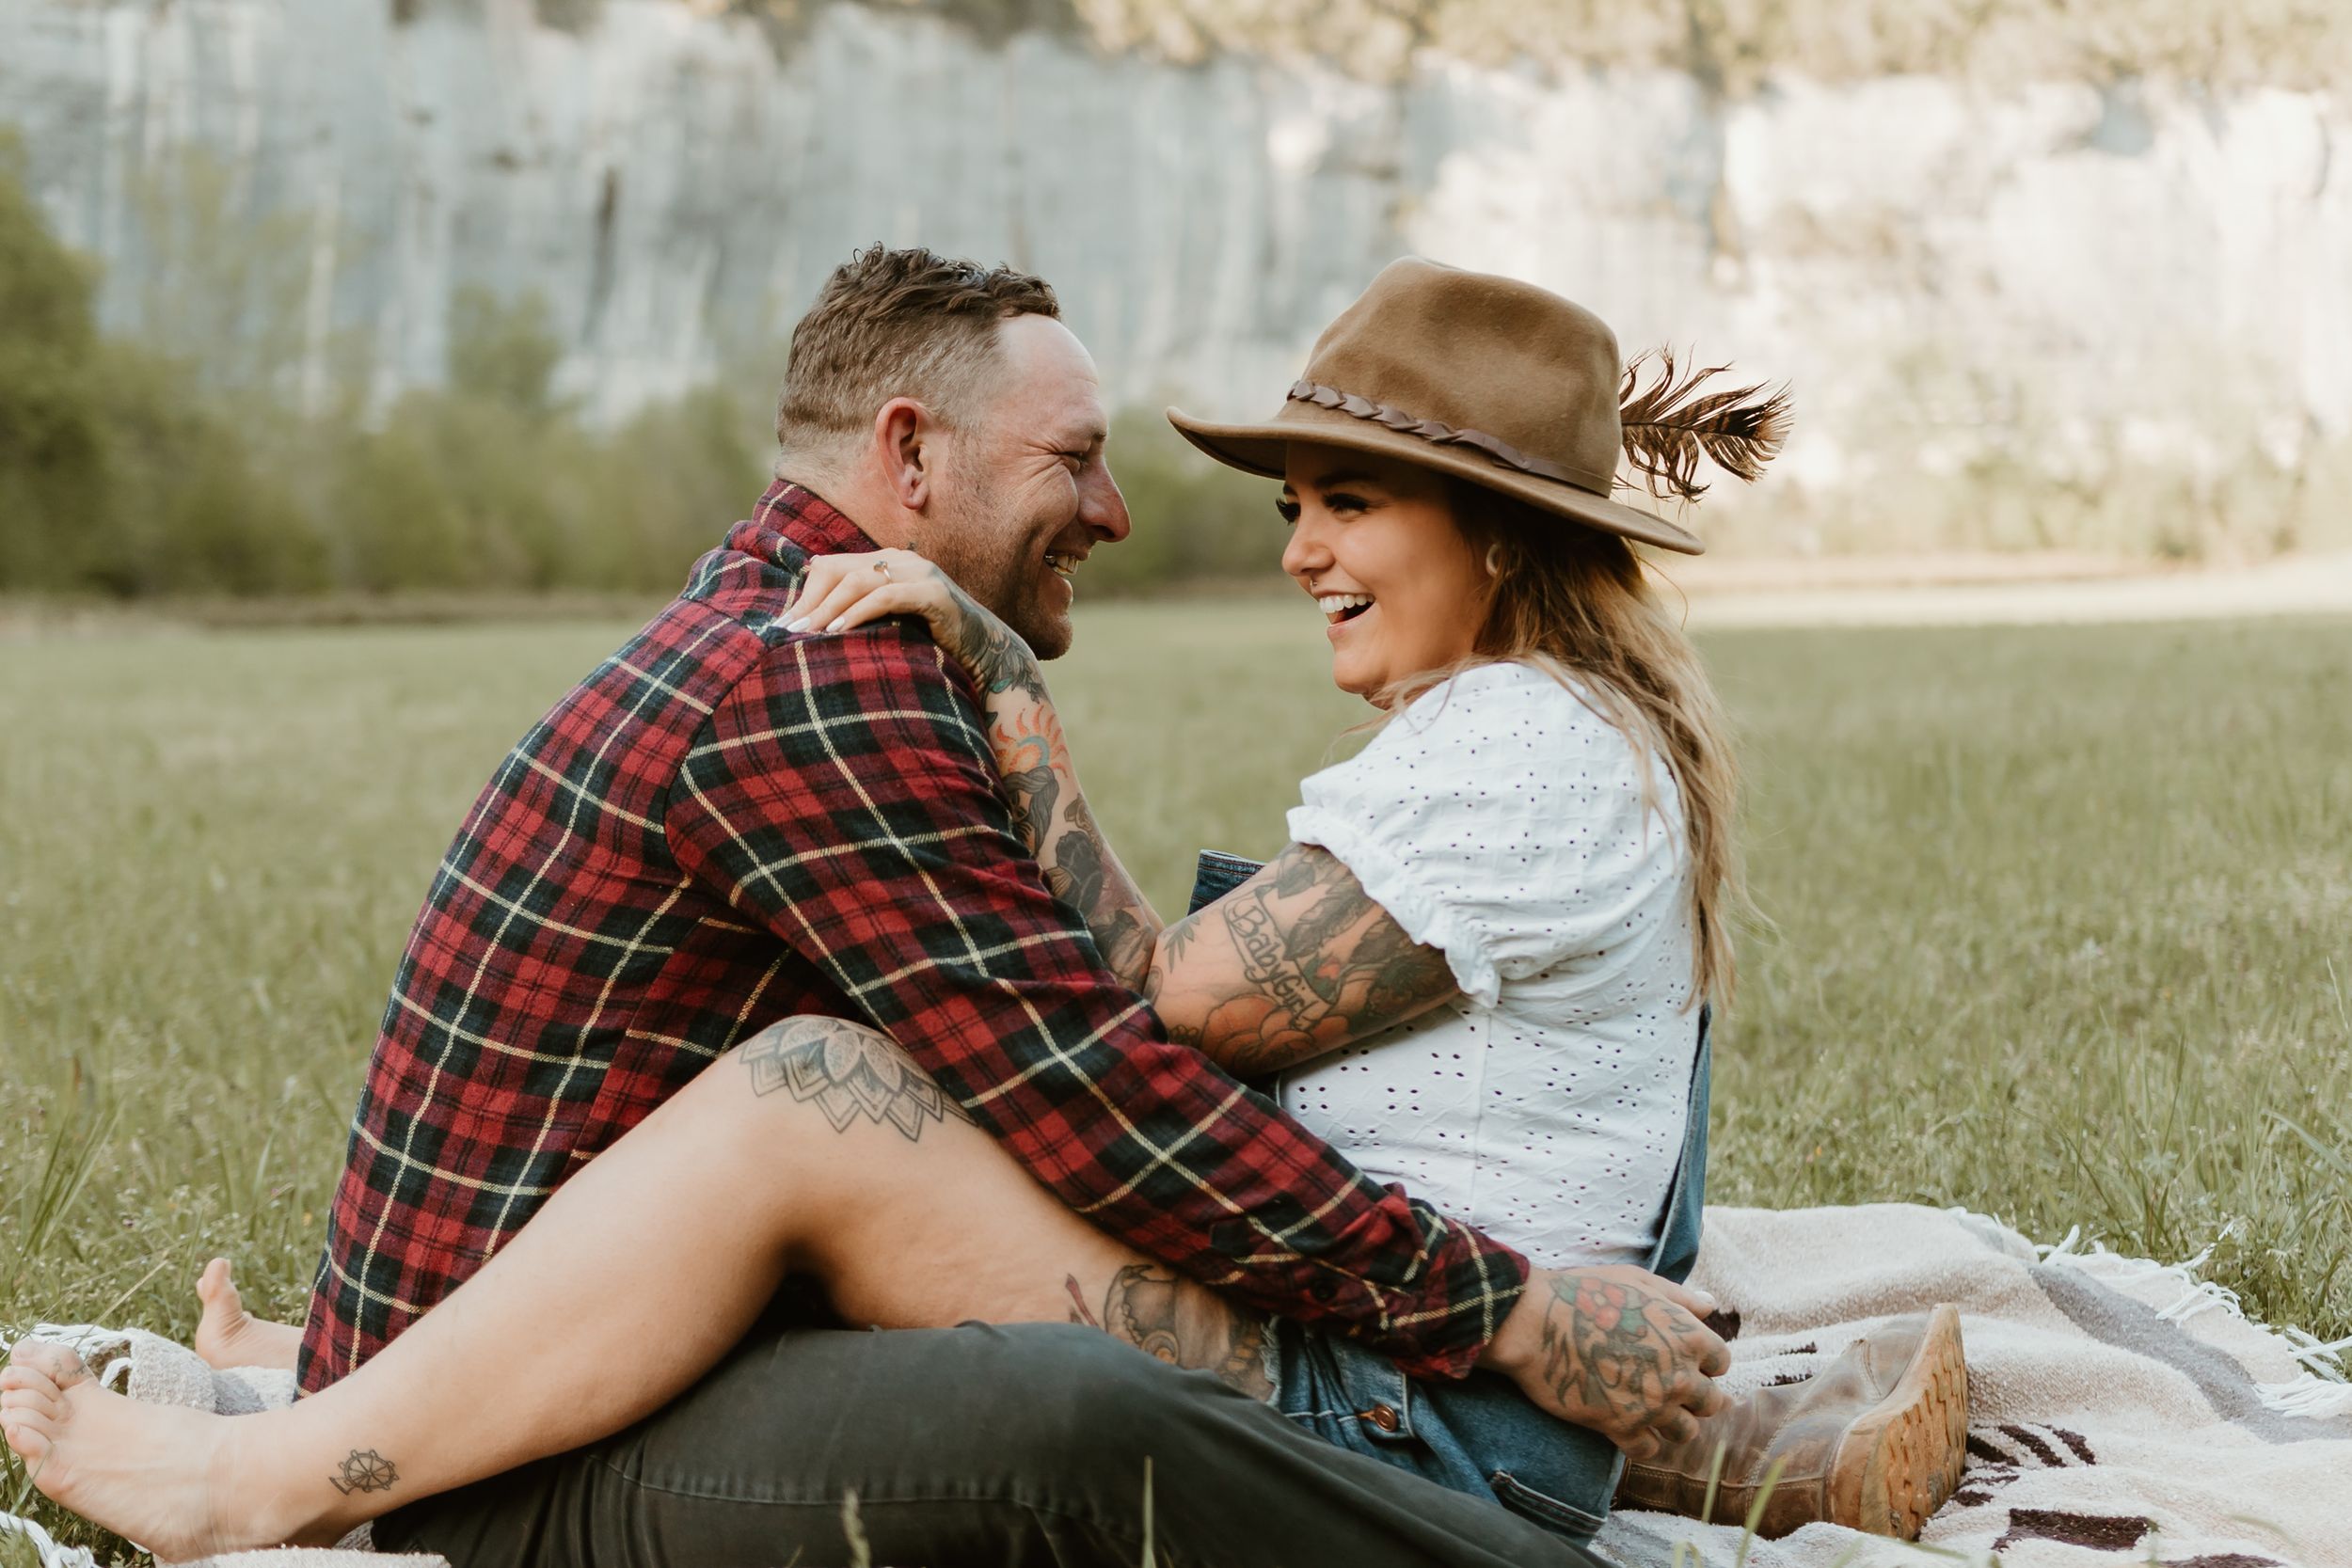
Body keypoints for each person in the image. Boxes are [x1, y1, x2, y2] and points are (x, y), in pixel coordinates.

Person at [3, 256, 1961, 1564]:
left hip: (1402, 1391)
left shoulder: (1514, 747)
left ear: (1499, 535)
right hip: (1403, 1355)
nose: (1246, 542)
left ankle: (286, 1441)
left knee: (825, 1095)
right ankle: (302, 1433)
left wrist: (1519, 1308)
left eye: (1340, 503)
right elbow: (1115, 1065)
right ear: (910, 460)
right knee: (824, 1091)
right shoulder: (825, 683)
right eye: (1078, 464)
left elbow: (1121, 1047)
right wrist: (1516, 1304)